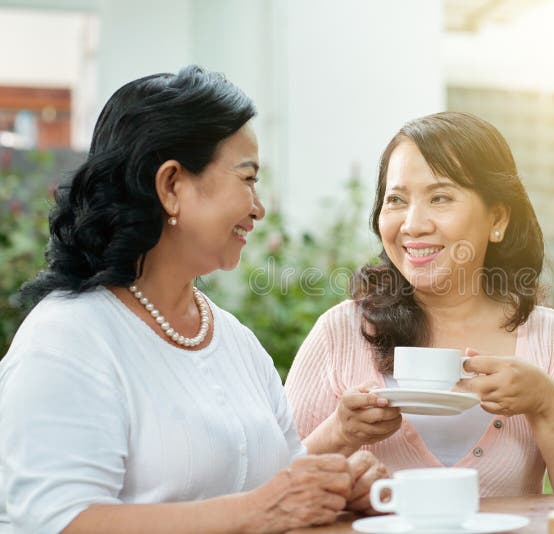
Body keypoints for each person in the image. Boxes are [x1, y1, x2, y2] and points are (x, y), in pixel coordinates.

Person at [0, 66, 386, 534]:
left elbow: (281, 483)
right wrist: (254, 513)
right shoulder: (67, 339)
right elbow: (59, 521)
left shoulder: (231, 339)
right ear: (171, 186)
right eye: (247, 178)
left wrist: (338, 487)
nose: (258, 207)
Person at [285, 111, 554, 497]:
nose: (413, 224)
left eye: (441, 197)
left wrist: (546, 405)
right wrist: (340, 433)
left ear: (497, 218)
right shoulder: (342, 332)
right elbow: (267, 489)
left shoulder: (548, 337)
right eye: (396, 199)